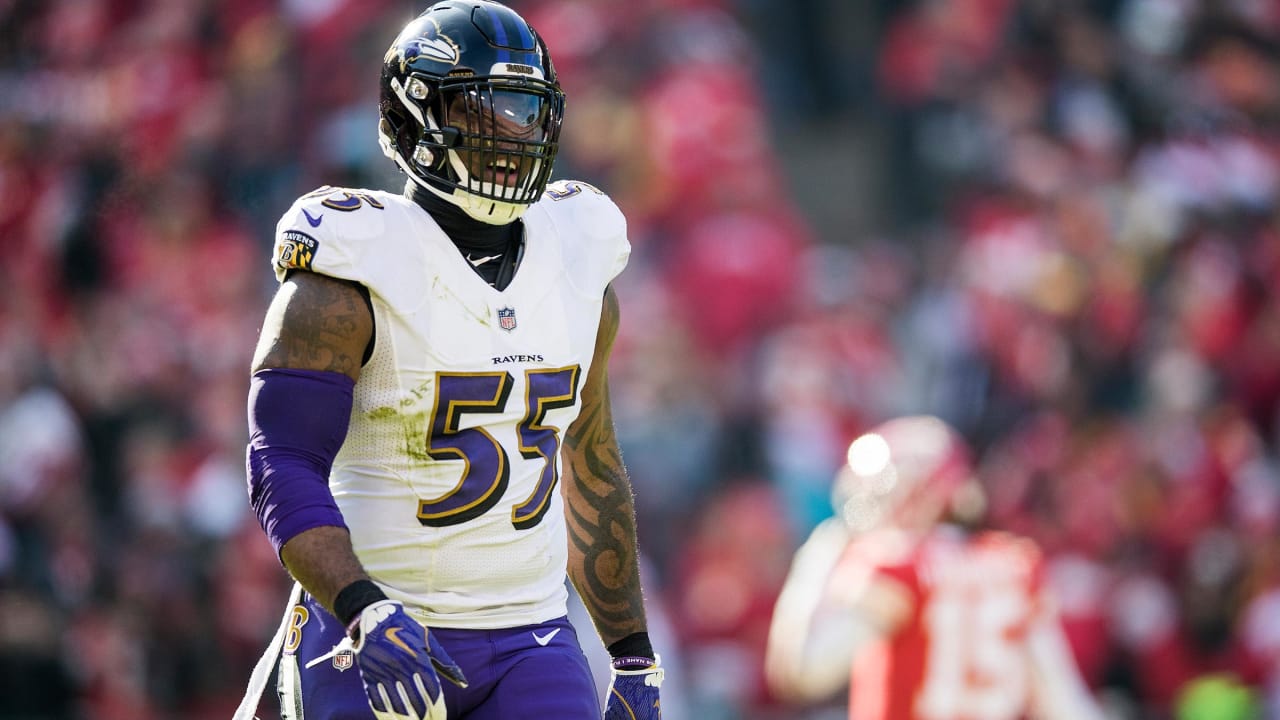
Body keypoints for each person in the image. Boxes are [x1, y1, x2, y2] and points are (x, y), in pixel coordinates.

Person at [232, 2, 663, 719]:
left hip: (531, 634)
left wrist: (633, 654)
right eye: (480, 109)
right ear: (415, 119)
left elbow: (588, 460)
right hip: (374, 629)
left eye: (525, 109)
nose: (510, 132)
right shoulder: (350, 270)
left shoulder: (577, 255)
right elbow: (280, 458)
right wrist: (361, 605)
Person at [764, 415, 1104, 720]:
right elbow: (1064, 703)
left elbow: (803, 674)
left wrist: (817, 557)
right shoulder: (1013, 564)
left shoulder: (896, 566)